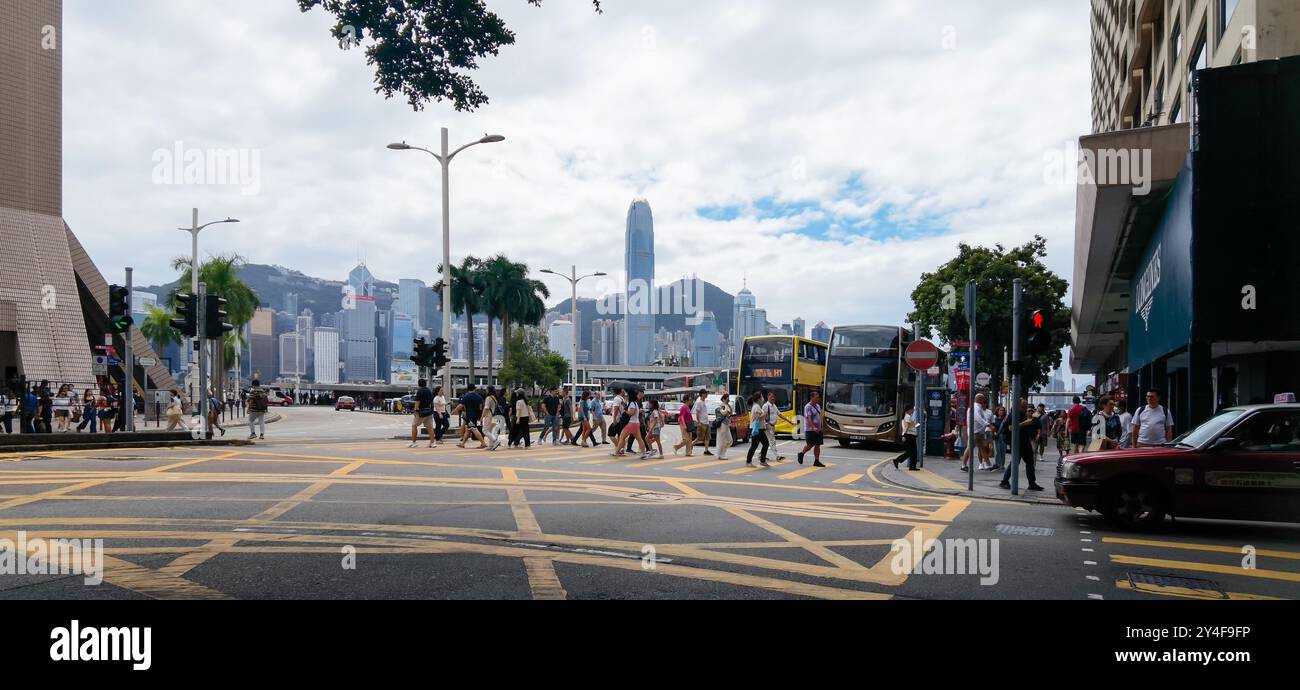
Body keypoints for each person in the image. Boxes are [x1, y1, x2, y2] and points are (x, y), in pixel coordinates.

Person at [1000, 398, 1045, 491]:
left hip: (1025, 442)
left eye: (1026, 406)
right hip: (1017, 443)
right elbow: (1011, 428)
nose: (1025, 409)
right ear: (1018, 406)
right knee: (1015, 463)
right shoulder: (1013, 415)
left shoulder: (1022, 414)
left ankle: (1032, 483)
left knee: (1030, 462)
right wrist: (1025, 423)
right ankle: (1004, 481)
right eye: (1023, 407)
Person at [796, 390, 826, 467]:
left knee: (818, 445)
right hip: (810, 429)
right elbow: (809, 418)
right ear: (811, 397)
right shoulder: (808, 407)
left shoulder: (818, 406)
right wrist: (813, 427)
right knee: (810, 444)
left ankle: (816, 461)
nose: (818, 399)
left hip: (818, 429)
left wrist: (821, 427)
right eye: (816, 398)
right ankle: (801, 453)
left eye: (818, 398)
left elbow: (820, 416)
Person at [611, 390, 643, 458]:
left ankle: (616, 452)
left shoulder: (632, 403)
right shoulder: (635, 403)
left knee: (622, 438)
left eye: (627, 396)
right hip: (636, 423)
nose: (627, 397)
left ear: (630, 396)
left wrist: (625, 411)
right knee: (639, 439)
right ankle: (643, 453)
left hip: (632, 423)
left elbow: (632, 413)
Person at [456, 384, 486, 449]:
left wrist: (454, 411)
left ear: (468, 389)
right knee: (468, 430)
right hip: (476, 415)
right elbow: (481, 407)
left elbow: (461, 405)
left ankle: (483, 443)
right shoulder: (479, 396)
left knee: (474, 429)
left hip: (470, 416)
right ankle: (462, 444)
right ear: (474, 388)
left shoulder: (466, 396)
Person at [745, 392, 771, 467]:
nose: (763, 399)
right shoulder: (756, 407)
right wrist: (765, 413)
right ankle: (749, 461)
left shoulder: (757, 406)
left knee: (764, 444)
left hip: (760, 429)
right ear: (758, 399)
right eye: (762, 397)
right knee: (755, 446)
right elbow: (758, 417)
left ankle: (762, 460)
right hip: (756, 429)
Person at [409, 378, 436, 448]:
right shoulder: (429, 391)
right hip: (429, 412)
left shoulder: (419, 391)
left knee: (414, 426)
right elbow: (431, 402)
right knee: (430, 428)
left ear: (418, 384)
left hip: (421, 412)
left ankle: (414, 442)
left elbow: (417, 402)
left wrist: (415, 411)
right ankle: (432, 443)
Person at [900, 403, 921, 471]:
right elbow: (907, 427)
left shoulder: (908, 416)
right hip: (909, 435)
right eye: (912, 409)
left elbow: (913, 425)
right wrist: (904, 435)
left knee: (911, 452)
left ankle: (911, 466)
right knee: (913, 452)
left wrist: (918, 424)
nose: (913, 411)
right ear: (909, 410)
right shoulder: (908, 417)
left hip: (910, 435)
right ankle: (911, 466)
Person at [714, 393, 734, 461]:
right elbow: (724, 413)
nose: (728, 399)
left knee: (730, 440)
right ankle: (721, 454)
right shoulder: (721, 405)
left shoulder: (726, 405)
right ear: (724, 399)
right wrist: (726, 407)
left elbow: (730, 413)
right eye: (727, 398)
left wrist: (728, 405)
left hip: (726, 424)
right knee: (721, 440)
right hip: (722, 425)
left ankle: (722, 453)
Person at [692, 390, 713, 456]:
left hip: (706, 422)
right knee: (700, 438)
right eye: (706, 393)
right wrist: (698, 422)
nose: (707, 395)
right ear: (702, 394)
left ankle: (706, 450)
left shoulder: (703, 402)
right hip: (702, 423)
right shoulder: (699, 402)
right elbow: (697, 413)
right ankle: (691, 445)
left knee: (708, 437)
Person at [988, 405, 1008, 471]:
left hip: (1004, 436)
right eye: (1000, 410)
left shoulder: (1006, 419)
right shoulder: (995, 419)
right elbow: (992, 427)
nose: (1002, 412)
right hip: (997, 436)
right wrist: (993, 434)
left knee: (1003, 451)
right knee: (998, 451)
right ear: (997, 411)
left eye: (1003, 410)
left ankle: (1002, 464)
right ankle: (998, 464)